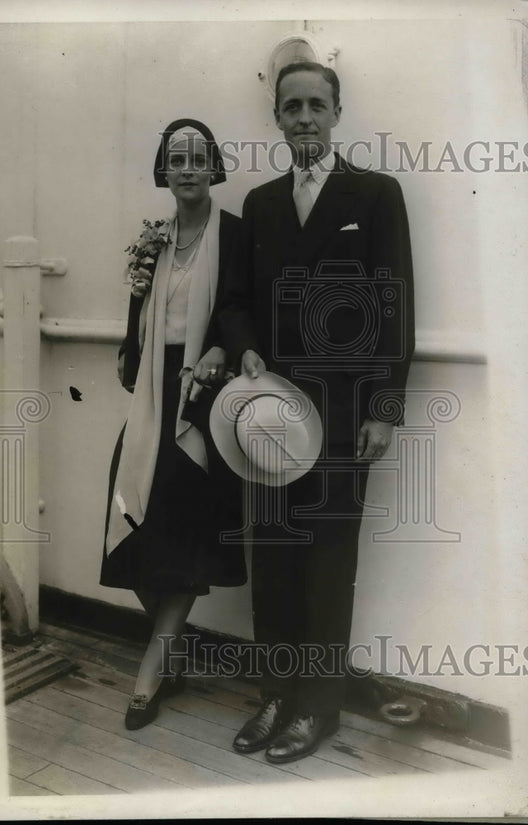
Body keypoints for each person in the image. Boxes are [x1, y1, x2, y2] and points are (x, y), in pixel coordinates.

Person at [218, 62, 415, 763]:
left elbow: (395, 302)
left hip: (341, 413)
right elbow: (234, 302)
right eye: (291, 106)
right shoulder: (261, 203)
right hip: (270, 413)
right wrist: (243, 353)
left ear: (337, 113)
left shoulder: (375, 194)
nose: (304, 117)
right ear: (276, 117)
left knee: (329, 557)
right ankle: (276, 693)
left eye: (316, 106)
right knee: (272, 553)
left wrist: (384, 408)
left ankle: (319, 707)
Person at [101, 118, 246, 729]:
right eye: (176, 158)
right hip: (154, 392)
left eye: (199, 157)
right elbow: (140, 320)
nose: (188, 167)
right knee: (128, 514)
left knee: (183, 531)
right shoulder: (154, 239)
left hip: (202, 395)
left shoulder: (235, 235)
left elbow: (245, 310)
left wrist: (220, 351)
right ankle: (173, 651)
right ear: (164, 169)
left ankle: (149, 673)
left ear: (215, 167)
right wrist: (129, 350)